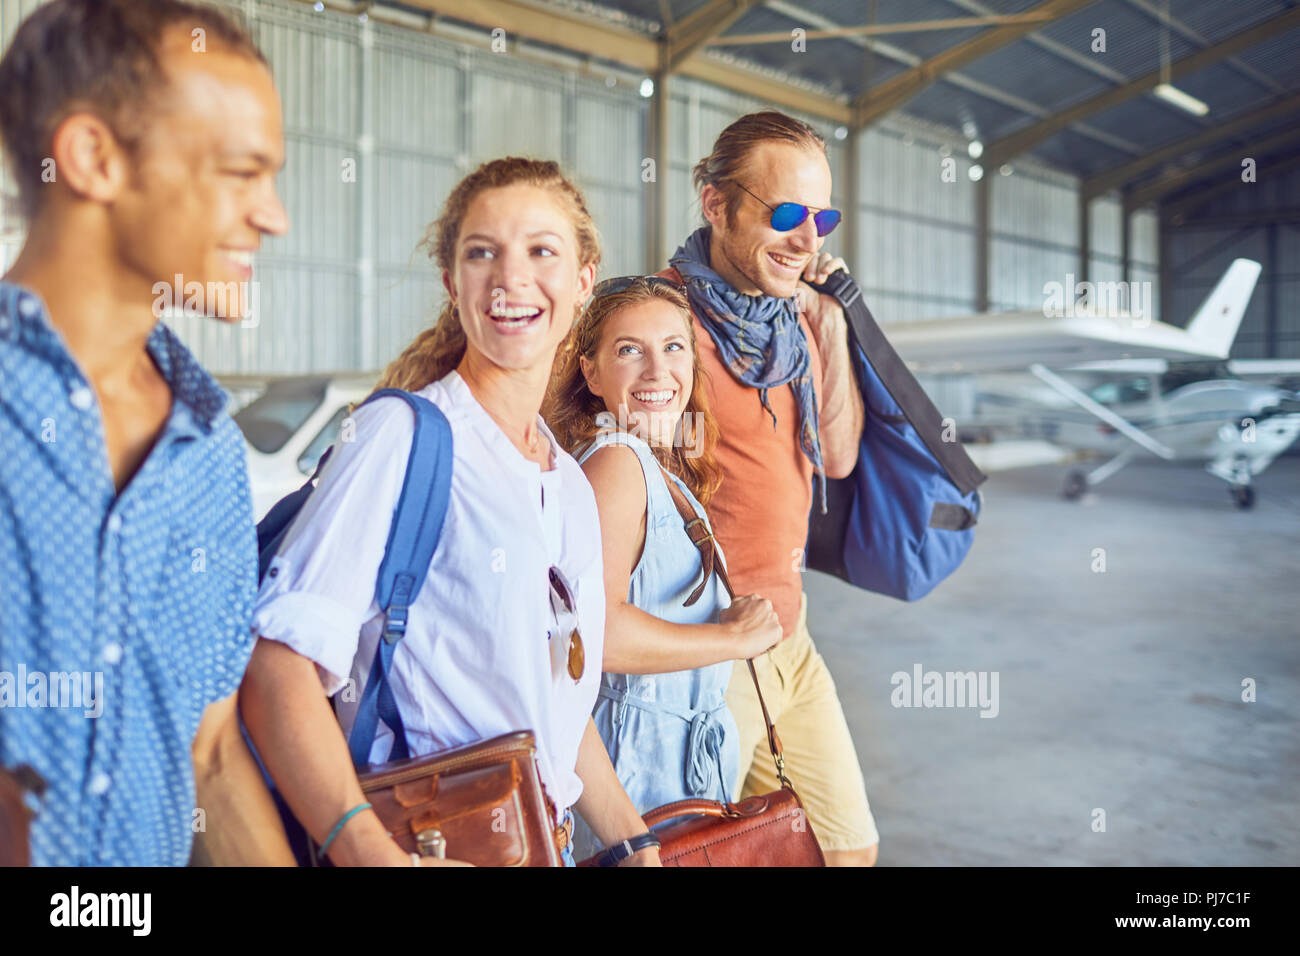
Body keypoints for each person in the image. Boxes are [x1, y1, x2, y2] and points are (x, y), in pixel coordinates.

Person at [239, 158, 661, 867]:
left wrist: (633, 842)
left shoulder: (568, 482)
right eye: (481, 253)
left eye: (541, 251)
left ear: (584, 280)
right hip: (435, 841)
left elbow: (553, 703)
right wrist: (369, 854)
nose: (510, 277)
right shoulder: (401, 438)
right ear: (452, 283)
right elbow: (277, 671)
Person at [0, 0, 294, 865]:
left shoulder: (209, 456)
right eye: (241, 173)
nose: (273, 217)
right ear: (93, 158)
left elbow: (206, 757)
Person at [659, 110, 880, 866]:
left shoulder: (790, 325)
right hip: (708, 655)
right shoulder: (659, 326)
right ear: (714, 202)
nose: (808, 239)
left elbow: (840, 459)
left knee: (846, 850)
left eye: (823, 217)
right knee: (701, 854)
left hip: (791, 638)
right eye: (785, 214)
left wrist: (832, 328)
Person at [545, 276, 782, 860]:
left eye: (673, 348)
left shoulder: (656, 468)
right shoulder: (617, 464)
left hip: (678, 774)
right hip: (634, 780)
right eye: (630, 350)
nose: (657, 372)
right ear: (592, 374)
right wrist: (729, 637)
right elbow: (591, 639)